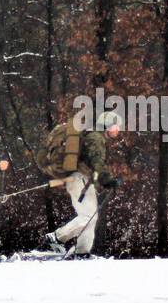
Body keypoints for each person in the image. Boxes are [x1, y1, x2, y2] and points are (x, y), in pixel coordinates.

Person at [43, 109, 121, 257]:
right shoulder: (95, 137)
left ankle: (82, 252)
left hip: (82, 180)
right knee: (87, 216)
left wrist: (105, 181)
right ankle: (57, 237)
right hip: (80, 180)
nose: (118, 130)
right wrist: (107, 179)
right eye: (116, 126)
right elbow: (96, 161)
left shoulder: (95, 136)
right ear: (107, 125)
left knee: (90, 217)